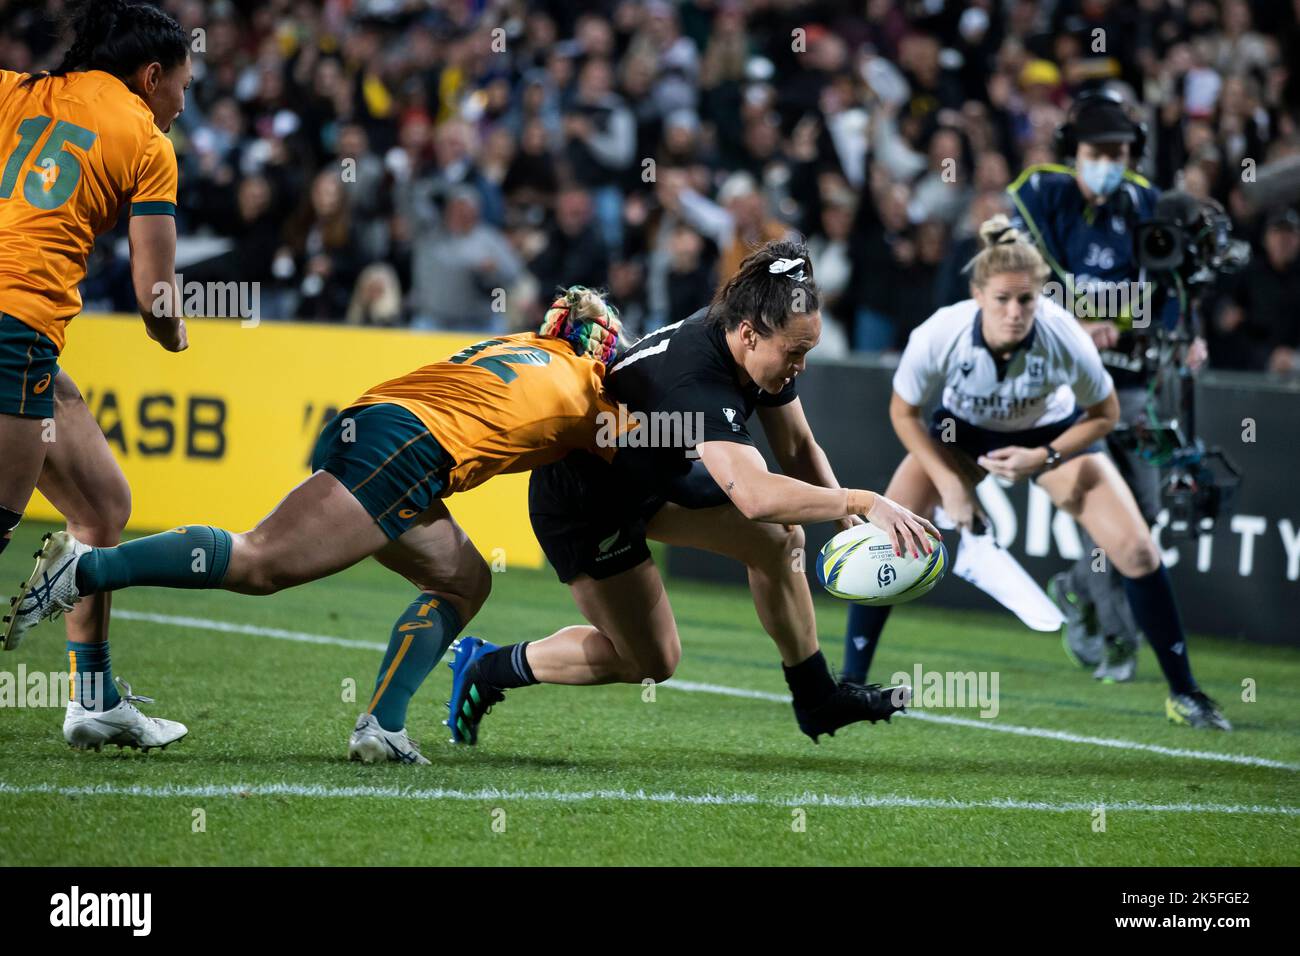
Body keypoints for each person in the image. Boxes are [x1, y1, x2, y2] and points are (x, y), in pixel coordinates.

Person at [5, 289, 626, 763]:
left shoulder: (516, 346)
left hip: (376, 427)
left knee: (464, 581)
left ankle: (383, 727)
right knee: (260, 562)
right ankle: (84, 567)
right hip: (408, 452)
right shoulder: (587, 385)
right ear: (600, 349)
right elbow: (646, 462)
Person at [443, 240, 940, 747]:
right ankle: (486, 666)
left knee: (776, 539)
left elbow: (797, 446)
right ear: (748, 335)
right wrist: (863, 501)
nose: (801, 366)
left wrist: (844, 523)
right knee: (650, 661)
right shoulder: (695, 379)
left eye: (807, 351)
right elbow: (755, 495)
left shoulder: (756, 339)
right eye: (795, 352)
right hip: (586, 503)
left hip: (653, 477)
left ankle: (816, 697)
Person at [839, 216, 1229, 730]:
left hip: (1050, 436)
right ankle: (848, 687)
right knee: (888, 536)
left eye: (1027, 300)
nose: (1016, 312)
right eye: (1002, 300)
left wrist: (1042, 457)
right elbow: (903, 413)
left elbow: (1105, 414)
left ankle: (1186, 694)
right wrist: (953, 484)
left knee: (1136, 550)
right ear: (977, 294)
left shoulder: (1063, 334)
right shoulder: (940, 332)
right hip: (961, 436)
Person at [0, 0, 190, 750]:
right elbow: (155, 296)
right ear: (151, 76)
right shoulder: (147, 142)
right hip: (15, 327)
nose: (183, 100)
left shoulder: (18, 92)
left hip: (23, 335)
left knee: (102, 505)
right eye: (182, 83)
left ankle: (94, 700)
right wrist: (175, 332)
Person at [1002, 87, 1206, 683]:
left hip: (1134, 384)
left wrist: (1183, 331)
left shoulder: (1147, 202)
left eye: (1120, 149)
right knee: (1099, 513)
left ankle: (1073, 585)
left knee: (1141, 515)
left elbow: (1174, 284)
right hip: (1063, 390)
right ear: (1074, 149)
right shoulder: (1041, 193)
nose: (1109, 160)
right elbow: (1022, 271)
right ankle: (1120, 640)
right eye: (1099, 149)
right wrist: (1077, 324)